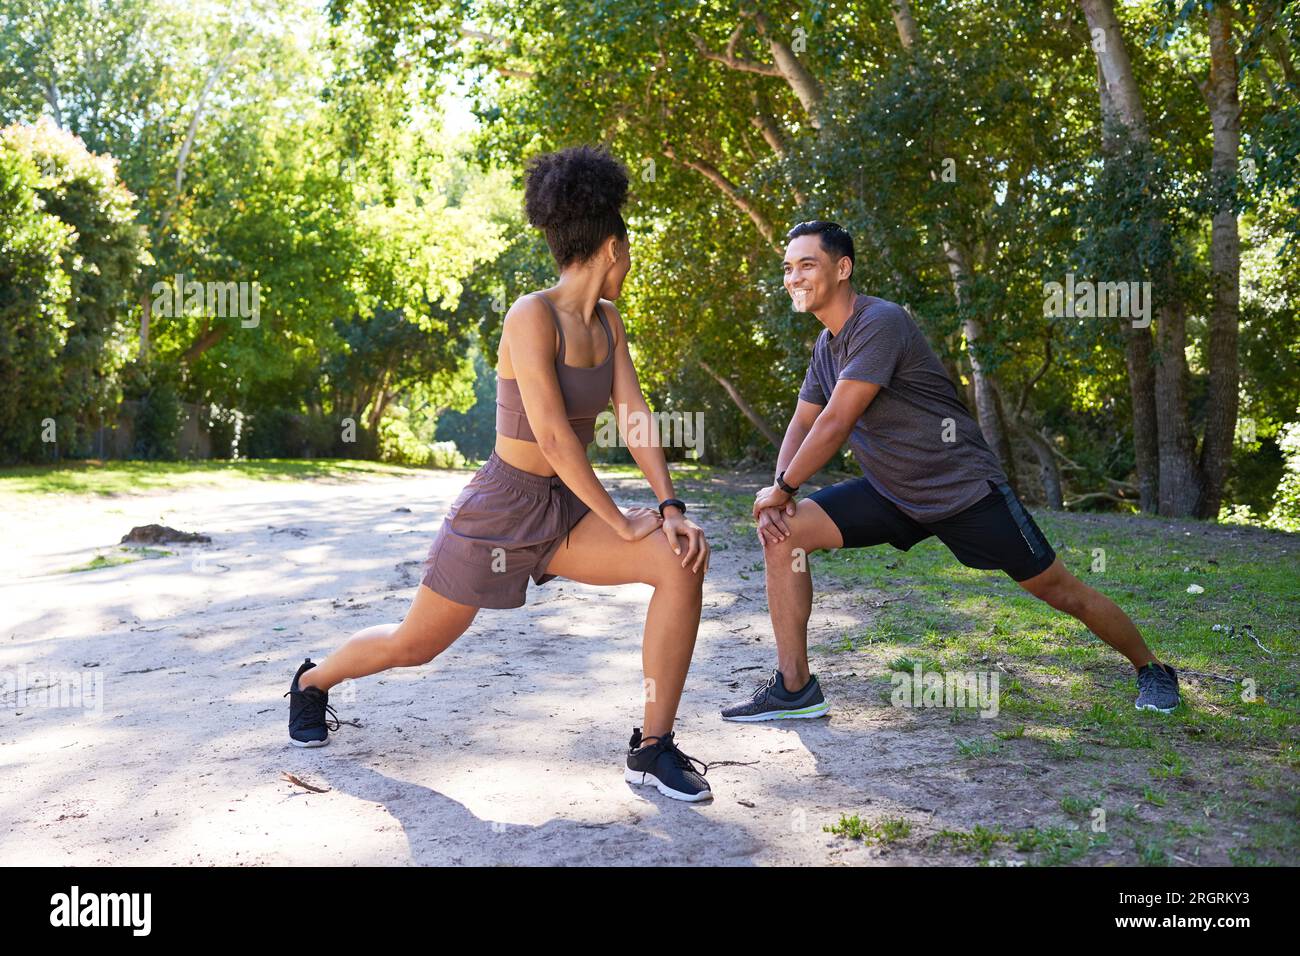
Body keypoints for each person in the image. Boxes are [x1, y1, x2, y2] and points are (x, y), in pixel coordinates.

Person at [284, 145, 715, 802]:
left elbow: (635, 416)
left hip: (567, 514)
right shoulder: (529, 315)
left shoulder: (610, 322)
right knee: (413, 645)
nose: (631, 261)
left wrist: (671, 506)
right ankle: (314, 682)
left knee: (679, 560)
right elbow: (550, 437)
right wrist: (620, 522)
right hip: (502, 510)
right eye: (629, 249)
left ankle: (652, 748)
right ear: (612, 248)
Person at [721, 220, 1180, 723]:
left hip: (962, 490)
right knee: (783, 535)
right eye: (788, 268)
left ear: (842, 267)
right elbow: (804, 418)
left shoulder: (880, 322)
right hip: (892, 493)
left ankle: (1151, 668)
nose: (794, 277)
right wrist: (779, 495)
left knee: (1058, 589)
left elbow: (835, 421)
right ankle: (794, 687)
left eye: (807, 264)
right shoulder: (826, 347)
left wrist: (784, 487)